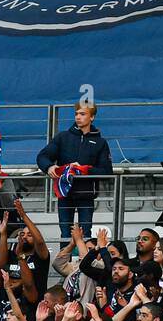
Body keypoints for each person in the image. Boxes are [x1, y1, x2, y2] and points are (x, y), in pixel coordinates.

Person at [36, 101, 113, 244]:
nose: (78, 117)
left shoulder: (101, 142)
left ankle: (85, 264)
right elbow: (42, 156)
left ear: (92, 117)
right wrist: (49, 167)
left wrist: (84, 169)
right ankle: (64, 265)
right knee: (65, 233)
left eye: (82, 114)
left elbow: (107, 171)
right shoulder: (63, 137)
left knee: (86, 233)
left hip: (86, 194)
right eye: (76, 113)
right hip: (65, 194)